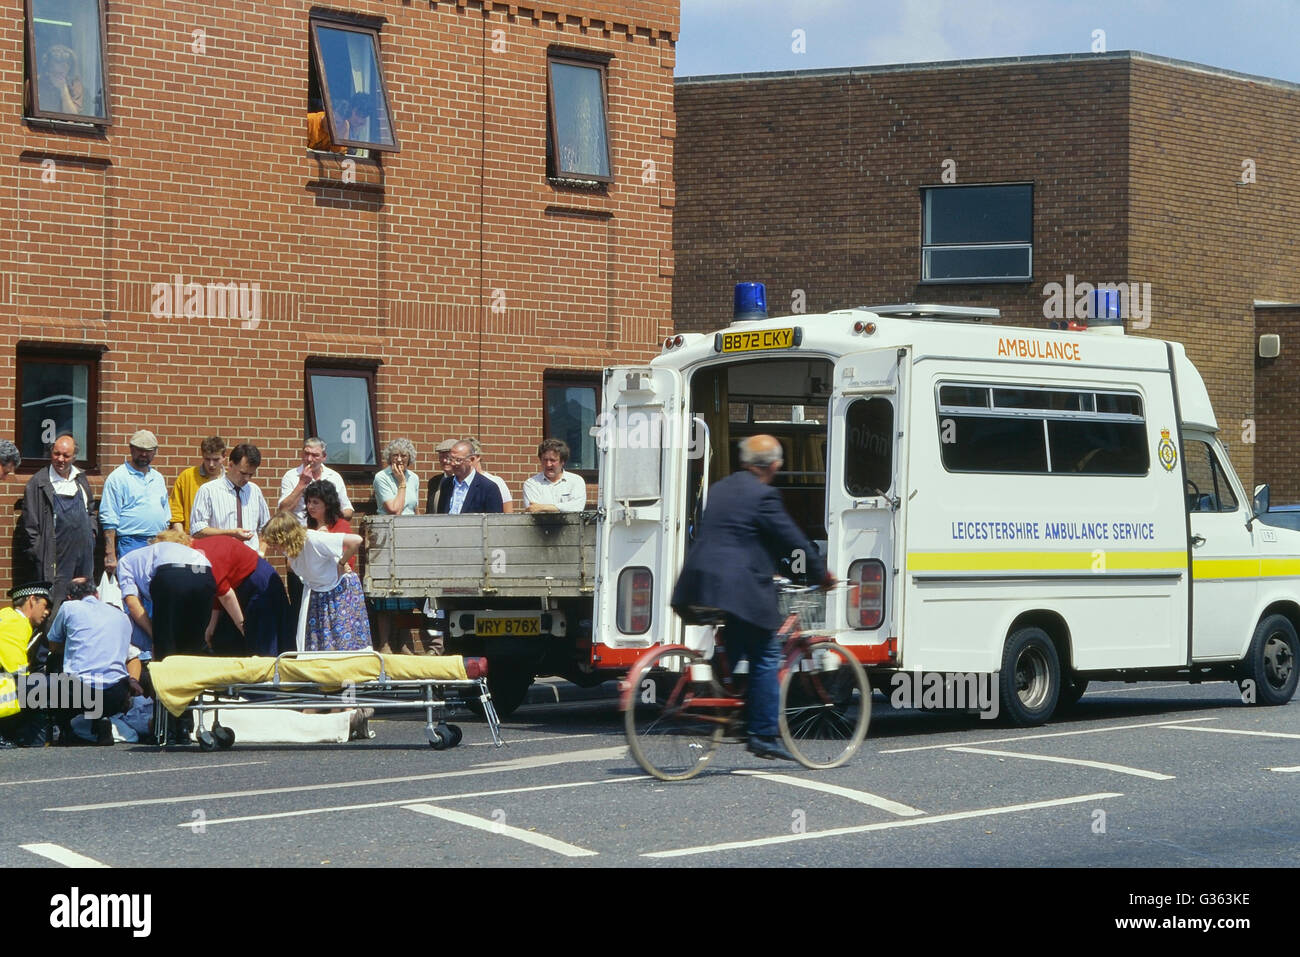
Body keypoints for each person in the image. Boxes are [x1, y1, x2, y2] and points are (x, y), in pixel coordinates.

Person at [670, 435, 835, 762]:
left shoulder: (721, 488)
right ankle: (762, 733)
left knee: (737, 643)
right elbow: (791, 538)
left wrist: (769, 564)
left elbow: (736, 535)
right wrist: (820, 574)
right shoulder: (765, 495)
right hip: (739, 588)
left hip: (700, 583)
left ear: (745, 462)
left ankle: (733, 712)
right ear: (773, 465)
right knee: (766, 654)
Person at [262, 512, 369, 652]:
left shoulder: (313, 539)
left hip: (339, 592)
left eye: (275, 543)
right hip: (318, 594)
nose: (274, 548)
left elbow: (356, 540)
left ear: (285, 537)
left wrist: (341, 563)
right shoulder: (292, 551)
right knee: (319, 646)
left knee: (342, 643)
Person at [45, 577, 133, 746]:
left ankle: (64, 727)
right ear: (97, 594)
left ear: (70, 597)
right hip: (117, 693)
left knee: (55, 663)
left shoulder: (69, 607)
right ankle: (100, 720)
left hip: (80, 694)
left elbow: (53, 645)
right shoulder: (121, 615)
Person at [19, 433, 96, 614]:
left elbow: (91, 510)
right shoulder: (38, 483)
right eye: (56, 454)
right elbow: (31, 527)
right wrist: (39, 554)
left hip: (83, 557)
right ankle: (51, 643)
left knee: (84, 604)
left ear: (74, 457)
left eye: (65, 455)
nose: (60, 459)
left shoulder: (80, 478)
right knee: (55, 607)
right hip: (55, 558)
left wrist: (92, 533)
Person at [187, 531, 293, 657]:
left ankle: (268, 674)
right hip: (242, 585)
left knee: (262, 640)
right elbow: (218, 593)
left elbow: (226, 595)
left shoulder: (202, 557)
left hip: (259, 583)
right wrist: (211, 627)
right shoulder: (196, 551)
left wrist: (242, 626)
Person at [116, 535, 216, 660]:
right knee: (195, 642)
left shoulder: (125, 561)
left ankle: (165, 674)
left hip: (170, 572)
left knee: (166, 646)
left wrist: (155, 635)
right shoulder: (184, 551)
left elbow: (132, 602)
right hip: (204, 571)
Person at [371, 441, 421, 653]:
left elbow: (414, 508)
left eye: (404, 455)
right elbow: (393, 509)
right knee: (385, 593)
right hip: (386, 538)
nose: (399, 459)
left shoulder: (415, 478)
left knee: (407, 594)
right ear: (389, 457)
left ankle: (403, 643)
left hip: (408, 538)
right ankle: (384, 644)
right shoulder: (381, 478)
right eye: (395, 455)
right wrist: (401, 483)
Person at [100, 430, 170, 574]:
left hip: (158, 542)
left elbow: (166, 515)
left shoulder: (158, 478)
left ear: (155, 452)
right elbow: (109, 519)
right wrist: (110, 554)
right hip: (130, 543)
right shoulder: (118, 478)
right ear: (131, 449)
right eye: (140, 450)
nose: (144, 454)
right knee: (132, 589)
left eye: (148, 451)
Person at [189, 443, 271, 552]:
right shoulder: (208, 490)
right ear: (231, 465)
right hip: (220, 559)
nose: (247, 478)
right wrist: (230, 533)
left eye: (251, 475)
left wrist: (260, 553)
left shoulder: (254, 491)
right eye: (243, 473)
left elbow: (266, 528)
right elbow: (197, 530)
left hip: (251, 561)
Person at [0, 581, 53, 749]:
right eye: (45, 605)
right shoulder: (16, 623)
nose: (47, 612)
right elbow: (17, 672)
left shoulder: (6, 616)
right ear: (32, 600)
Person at [278, 437, 354, 525]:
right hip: (299, 532)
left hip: (327, 532)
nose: (309, 459)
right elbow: (283, 511)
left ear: (324, 457)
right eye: (306, 453)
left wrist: (330, 514)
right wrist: (302, 484)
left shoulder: (334, 477)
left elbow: (348, 511)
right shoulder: (291, 476)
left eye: (315, 455)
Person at [170, 436, 227, 532]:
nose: (211, 464)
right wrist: (183, 538)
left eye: (216, 459)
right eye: (207, 459)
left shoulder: (230, 481)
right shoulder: (187, 476)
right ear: (202, 456)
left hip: (221, 539)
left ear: (224, 457)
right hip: (191, 538)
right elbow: (175, 514)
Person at [435, 441, 504, 515]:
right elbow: (440, 516)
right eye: (451, 459)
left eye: (458, 460)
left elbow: (494, 522)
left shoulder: (488, 488)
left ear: (471, 460)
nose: (453, 463)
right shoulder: (446, 484)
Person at [522, 438, 587, 512]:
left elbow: (577, 507)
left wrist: (543, 507)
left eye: (553, 460)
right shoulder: (531, 484)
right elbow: (533, 510)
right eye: (545, 460)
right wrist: (564, 508)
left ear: (562, 461)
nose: (548, 464)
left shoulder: (576, 481)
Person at [465, 437, 514, 513]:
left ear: (478, 457)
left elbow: (508, 512)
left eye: (468, 457)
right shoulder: (457, 482)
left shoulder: (496, 481)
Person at [37, 43, 86, 115]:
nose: (65, 66)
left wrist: (63, 88)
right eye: (59, 61)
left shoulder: (74, 84)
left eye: (68, 63)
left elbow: (72, 115)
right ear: (49, 64)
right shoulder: (36, 82)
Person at [424, 438, 457, 514]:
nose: (445, 461)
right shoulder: (434, 482)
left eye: (448, 457)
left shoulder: (463, 481)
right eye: (442, 457)